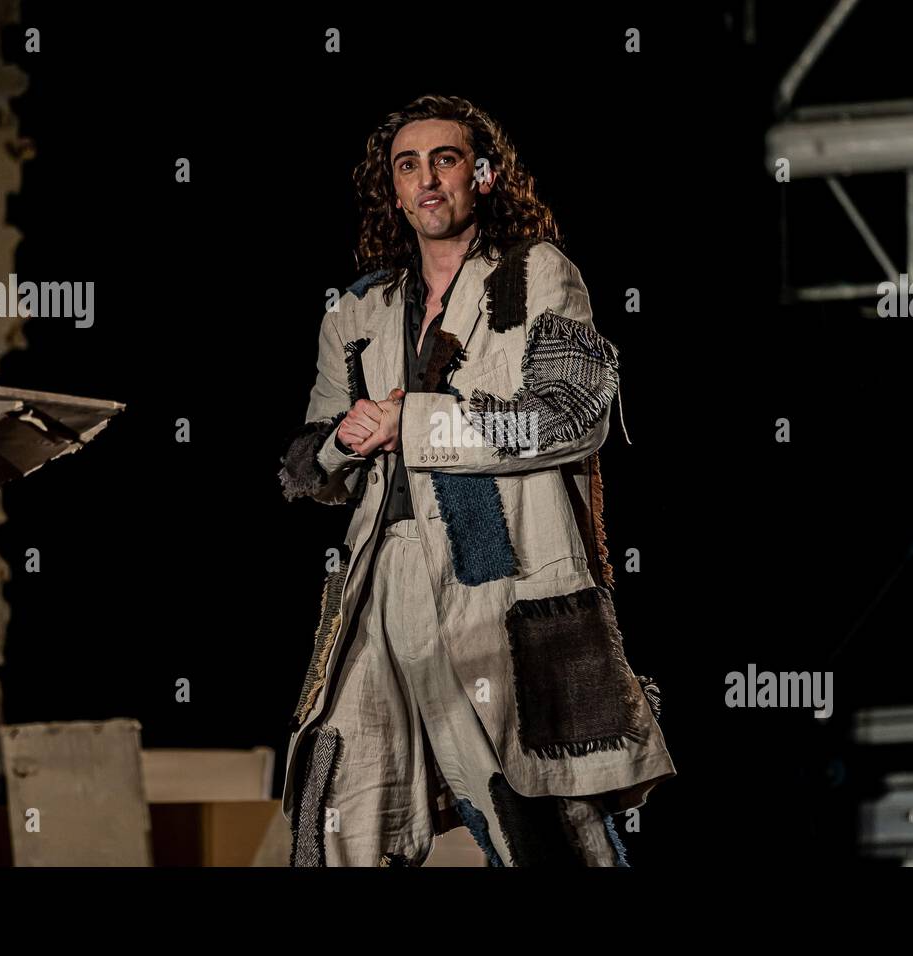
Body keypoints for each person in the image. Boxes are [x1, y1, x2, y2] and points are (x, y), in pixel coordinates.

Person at [278, 94, 675, 866]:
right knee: (335, 811)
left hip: (497, 582)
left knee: (536, 814)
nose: (426, 180)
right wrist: (342, 445)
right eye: (407, 165)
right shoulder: (357, 311)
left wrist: (415, 423)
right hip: (377, 582)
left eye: (446, 159)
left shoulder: (536, 274)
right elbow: (306, 459)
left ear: (484, 175)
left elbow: (565, 416)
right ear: (391, 189)